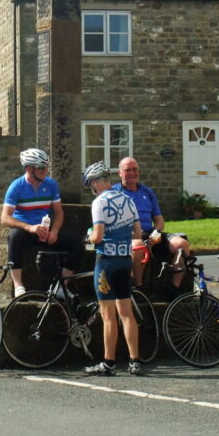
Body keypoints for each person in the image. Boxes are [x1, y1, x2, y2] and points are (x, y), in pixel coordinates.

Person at [82, 162, 143, 377]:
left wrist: (88, 236)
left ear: (96, 183)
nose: (92, 188)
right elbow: (138, 233)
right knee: (126, 313)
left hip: (106, 261)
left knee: (108, 315)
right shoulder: (128, 200)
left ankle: (109, 363)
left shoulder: (99, 202)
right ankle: (134, 361)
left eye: (91, 184)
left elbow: (97, 236)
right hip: (124, 259)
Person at [0, 148, 83, 297]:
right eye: (40, 167)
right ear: (29, 168)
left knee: (77, 243)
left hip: (46, 230)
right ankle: (18, 286)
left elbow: (58, 213)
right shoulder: (16, 186)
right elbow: (5, 218)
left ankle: (60, 287)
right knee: (14, 237)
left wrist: (54, 232)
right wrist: (29, 227)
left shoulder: (51, 184)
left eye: (46, 166)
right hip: (26, 230)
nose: (45, 170)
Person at [114, 157, 191, 292]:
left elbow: (159, 220)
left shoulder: (147, 192)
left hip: (150, 233)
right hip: (130, 234)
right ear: (120, 173)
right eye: (127, 170)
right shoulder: (114, 193)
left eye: (134, 169)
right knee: (138, 247)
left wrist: (155, 234)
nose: (132, 173)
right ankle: (139, 288)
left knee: (182, 244)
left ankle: (174, 288)